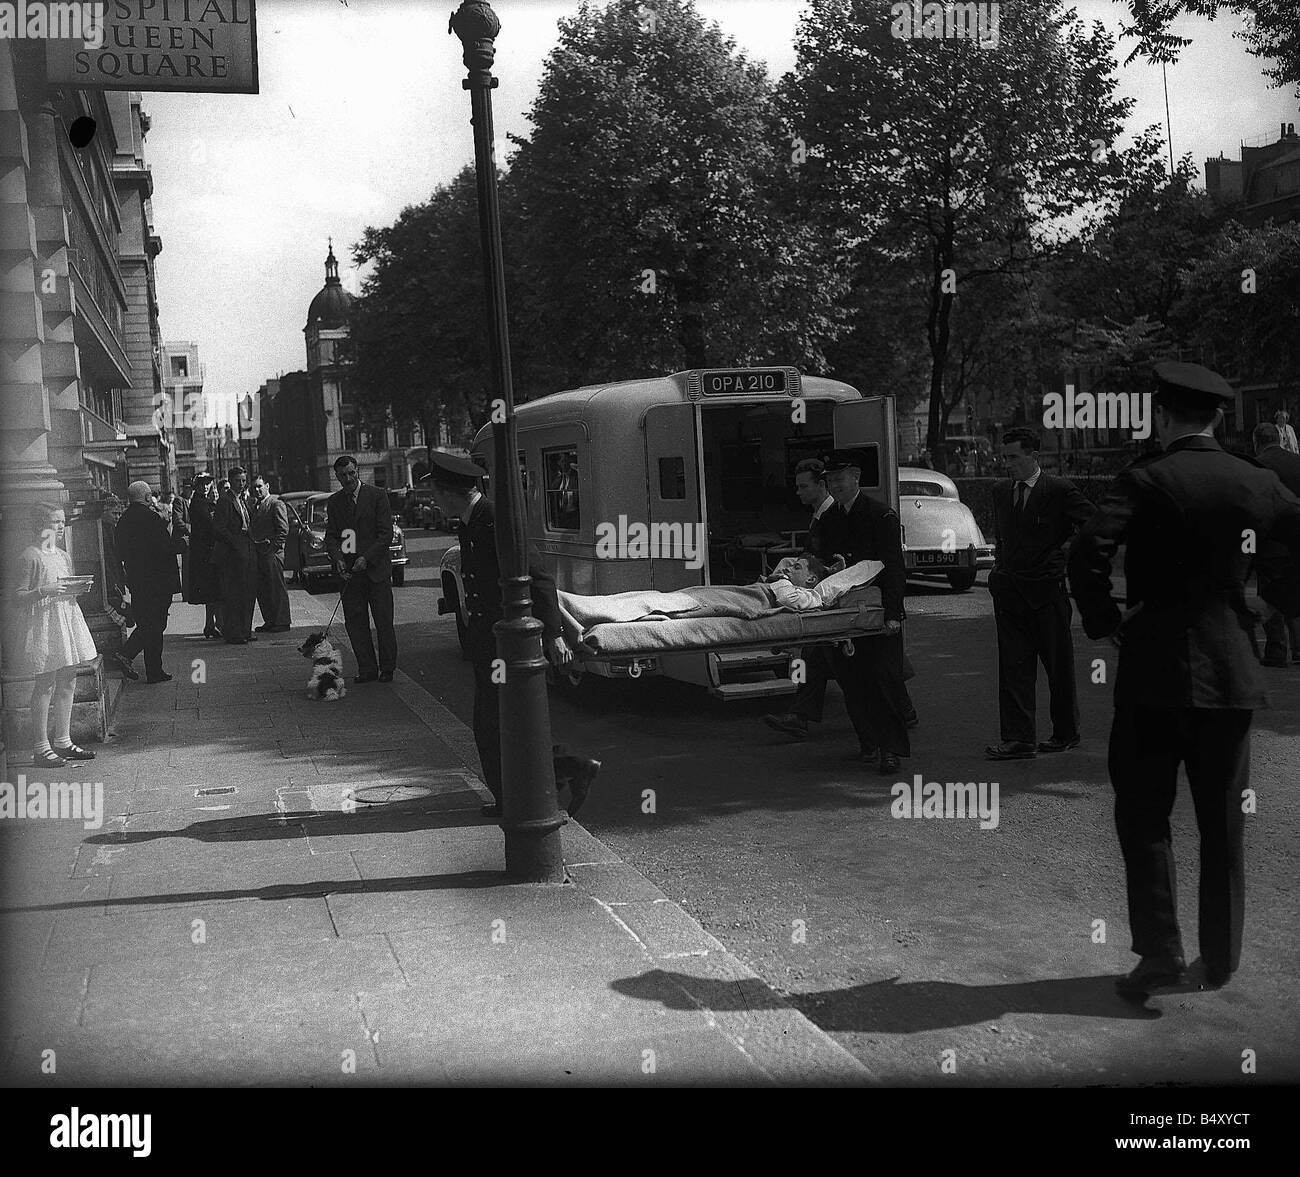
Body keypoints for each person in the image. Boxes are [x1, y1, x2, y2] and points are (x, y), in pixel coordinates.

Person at [1068, 362, 1300, 996]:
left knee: (1144, 816)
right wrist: (1274, 603)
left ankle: (1160, 955)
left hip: (1154, 670)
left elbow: (1087, 549)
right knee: (1224, 823)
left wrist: (1105, 622)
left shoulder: (1146, 478)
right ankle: (1219, 960)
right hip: (1231, 670)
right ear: (1220, 417)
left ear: (1163, 417)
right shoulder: (1257, 481)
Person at [421, 452, 600, 820]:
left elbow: (540, 578)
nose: (433, 502)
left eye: (435, 493)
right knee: (502, 722)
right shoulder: (472, 522)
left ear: (451, 492)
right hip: (490, 642)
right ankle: (538, 785)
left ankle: (530, 792)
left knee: (498, 723)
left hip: (509, 644)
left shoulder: (493, 520)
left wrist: (554, 634)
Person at [985, 428, 1096, 760]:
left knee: (1058, 667)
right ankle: (1019, 739)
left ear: (1034, 456)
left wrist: (1063, 555)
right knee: (1013, 668)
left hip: (1047, 593)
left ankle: (1065, 732)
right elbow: (1003, 537)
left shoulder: (1059, 490)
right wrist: (998, 570)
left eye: (1014, 457)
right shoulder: (1001, 491)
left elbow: (1094, 526)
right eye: (1004, 457)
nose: (1007, 464)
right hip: (1010, 594)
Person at [814, 450, 910, 775]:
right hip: (843, 616)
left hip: (878, 613)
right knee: (852, 682)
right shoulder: (828, 521)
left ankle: (890, 750)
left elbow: (894, 567)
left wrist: (894, 614)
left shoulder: (881, 515)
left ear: (856, 477)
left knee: (884, 680)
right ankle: (867, 742)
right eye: (830, 481)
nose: (835, 486)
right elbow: (821, 565)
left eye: (840, 479)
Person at [5, 502, 100, 767]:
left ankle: (63, 740)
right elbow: (18, 596)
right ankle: (40, 746)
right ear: (40, 525)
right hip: (44, 624)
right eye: (54, 522)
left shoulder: (61, 555)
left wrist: (78, 588)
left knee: (68, 679)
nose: (60, 527)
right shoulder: (30, 556)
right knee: (45, 683)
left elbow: (64, 586)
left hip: (65, 619)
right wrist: (44, 591)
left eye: (61, 521)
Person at [325, 456, 397, 682]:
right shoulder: (335, 502)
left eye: (351, 473)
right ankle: (367, 669)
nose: (348, 479)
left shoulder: (377, 496)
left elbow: (385, 534)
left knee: (383, 623)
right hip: (351, 575)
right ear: (336, 476)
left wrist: (366, 558)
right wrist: (338, 558)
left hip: (376, 572)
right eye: (342, 475)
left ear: (357, 471)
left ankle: (387, 669)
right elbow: (334, 535)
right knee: (356, 625)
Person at [112, 481, 188, 684]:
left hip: (138, 581)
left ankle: (154, 671)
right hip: (158, 582)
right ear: (146, 497)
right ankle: (128, 655)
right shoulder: (151, 518)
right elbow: (164, 548)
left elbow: (121, 551)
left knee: (148, 622)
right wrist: (183, 544)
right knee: (155, 624)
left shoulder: (124, 521)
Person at [212, 465, 257, 645]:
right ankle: (234, 633)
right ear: (230, 481)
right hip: (232, 554)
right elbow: (218, 529)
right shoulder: (225, 501)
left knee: (248, 592)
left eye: (244, 481)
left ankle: (246, 630)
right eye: (238, 481)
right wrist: (235, 542)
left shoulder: (244, 500)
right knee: (234, 594)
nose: (241, 484)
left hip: (248, 549)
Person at [249, 474, 292, 633]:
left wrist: (274, 549)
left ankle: (281, 621)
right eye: (254, 487)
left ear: (267, 486)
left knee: (276, 587)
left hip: (272, 553)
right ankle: (270, 620)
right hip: (260, 553)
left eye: (260, 486)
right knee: (263, 588)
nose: (257, 490)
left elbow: (283, 530)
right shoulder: (255, 506)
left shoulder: (275, 503)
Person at [185, 473, 222, 639]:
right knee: (212, 589)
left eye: (208, 484)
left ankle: (209, 624)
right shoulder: (199, 503)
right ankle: (213, 624)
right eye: (202, 484)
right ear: (197, 486)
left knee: (211, 591)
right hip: (205, 552)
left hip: (206, 551)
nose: (205, 487)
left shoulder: (204, 501)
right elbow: (210, 525)